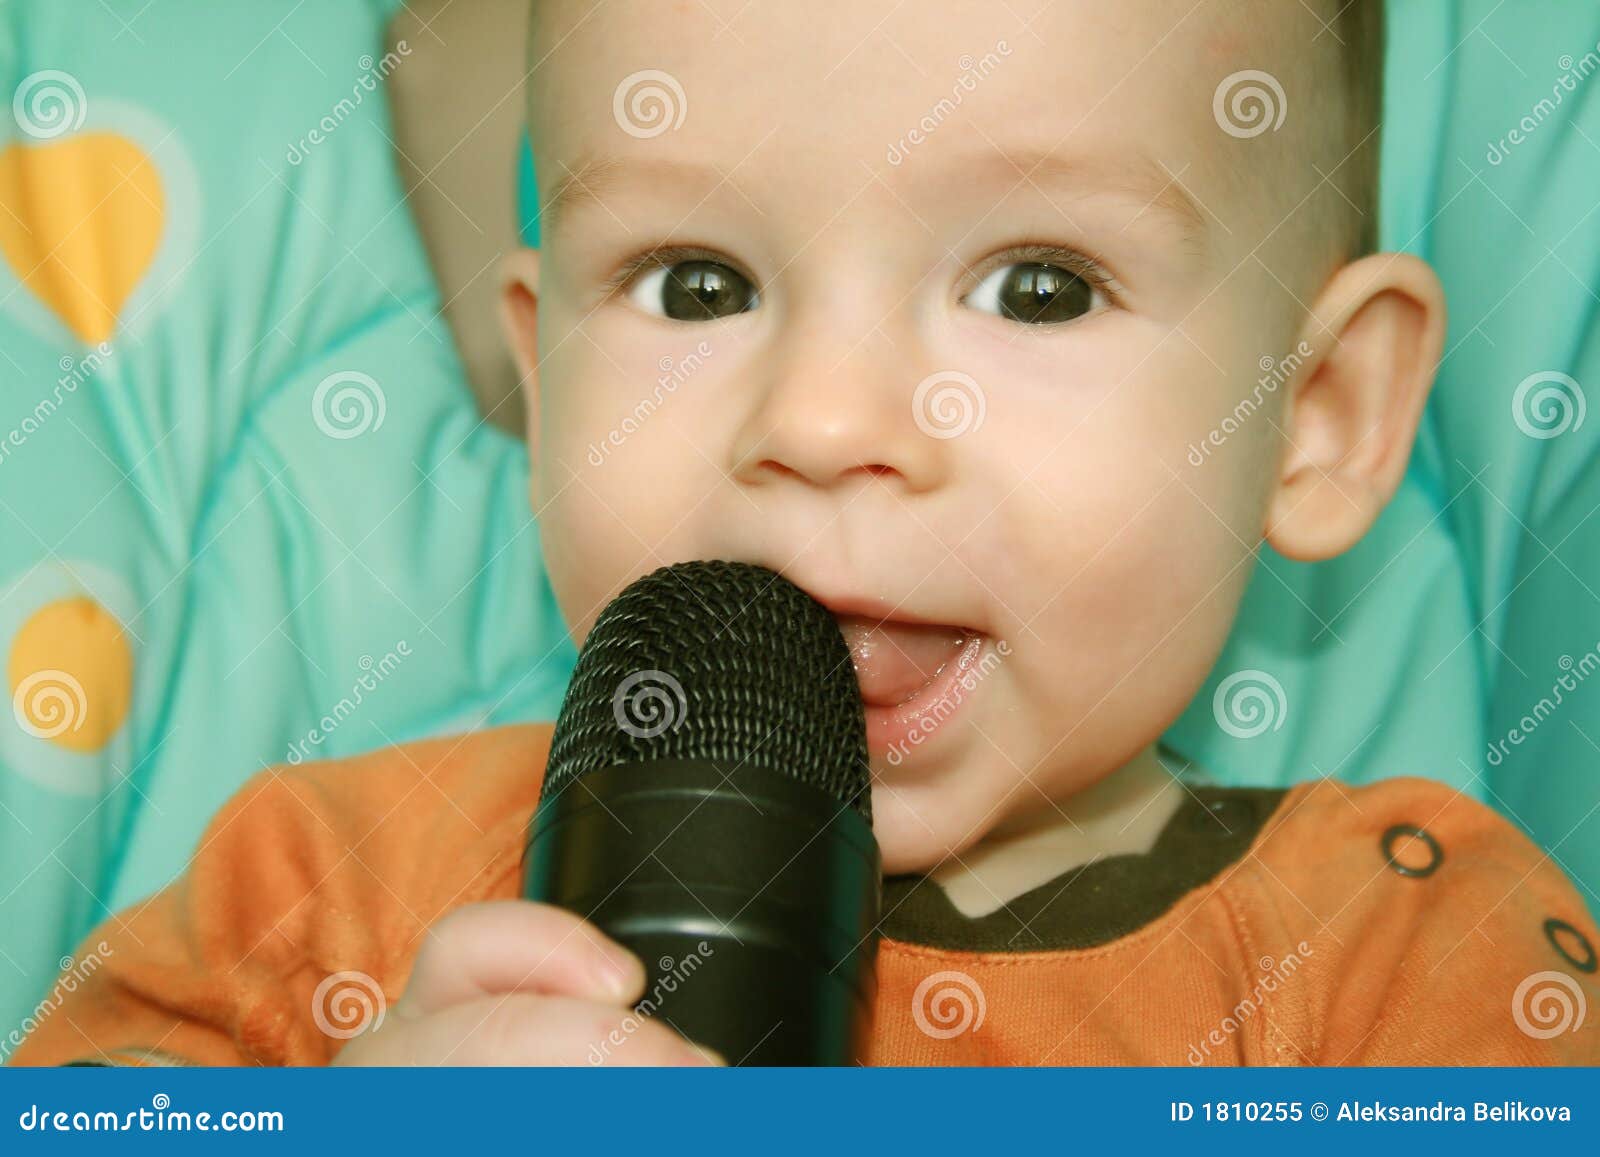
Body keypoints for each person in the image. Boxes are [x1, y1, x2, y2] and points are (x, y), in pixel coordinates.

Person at [13, 0, 1598, 1067]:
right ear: (548, 378)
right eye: (696, 282)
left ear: (1315, 414)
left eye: (1037, 286)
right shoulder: (326, 881)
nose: (826, 420)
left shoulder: (1413, 947)